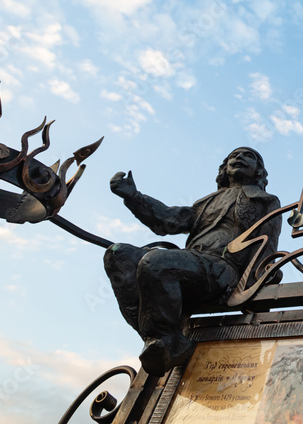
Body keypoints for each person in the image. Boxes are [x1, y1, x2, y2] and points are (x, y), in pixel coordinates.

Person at [105, 147, 281, 375]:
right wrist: (133, 197)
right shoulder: (206, 202)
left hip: (222, 271)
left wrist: (260, 280)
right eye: (233, 156)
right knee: (117, 254)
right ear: (224, 169)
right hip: (192, 263)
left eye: (249, 156)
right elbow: (168, 220)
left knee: (156, 262)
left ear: (259, 170)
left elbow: (268, 243)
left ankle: (165, 342)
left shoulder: (265, 201)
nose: (239, 157)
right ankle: (161, 340)